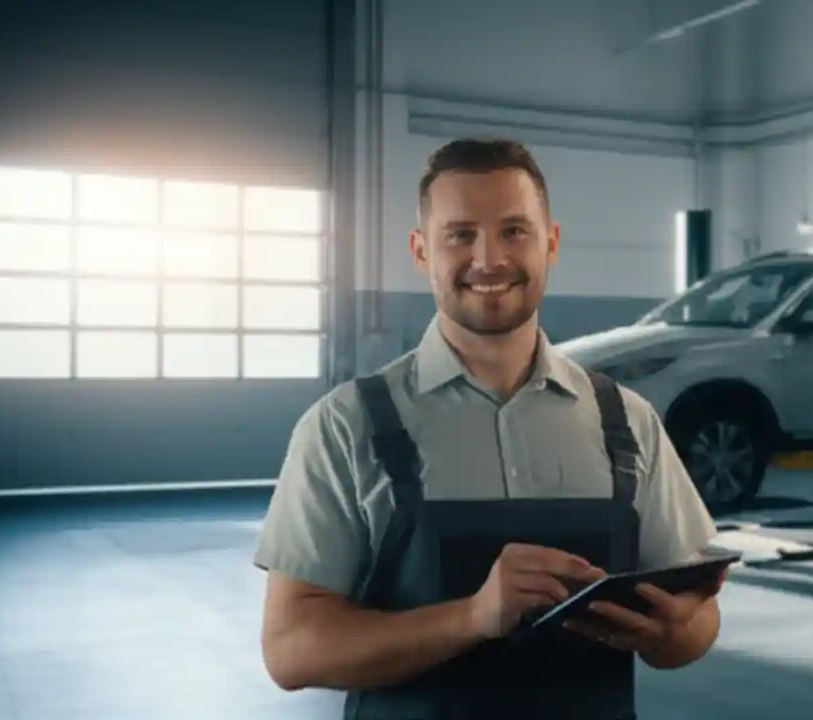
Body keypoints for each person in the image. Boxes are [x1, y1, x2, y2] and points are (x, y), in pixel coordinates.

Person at [253, 137, 725, 719]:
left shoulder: (628, 421)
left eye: (514, 230)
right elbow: (290, 649)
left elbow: (698, 621)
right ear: (421, 251)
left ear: (551, 243)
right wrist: (471, 618)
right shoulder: (345, 428)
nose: (489, 258)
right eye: (460, 235)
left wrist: (677, 635)